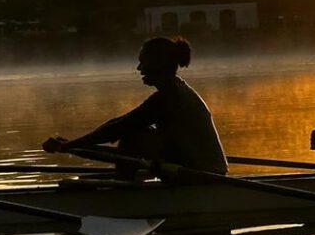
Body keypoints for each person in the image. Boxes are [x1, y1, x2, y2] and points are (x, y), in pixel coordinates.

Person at [43, 36, 228, 177]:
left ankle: (124, 192)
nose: (139, 68)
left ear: (158, 64)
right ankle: (125, 183)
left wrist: (69, 146)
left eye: (143, 62)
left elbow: (118, 129)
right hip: (193, 166)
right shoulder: (172, 90)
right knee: (135, 137)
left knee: (134, 137)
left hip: (202, 174)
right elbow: (118, 123)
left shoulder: (170, 97)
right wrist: (71, 145)